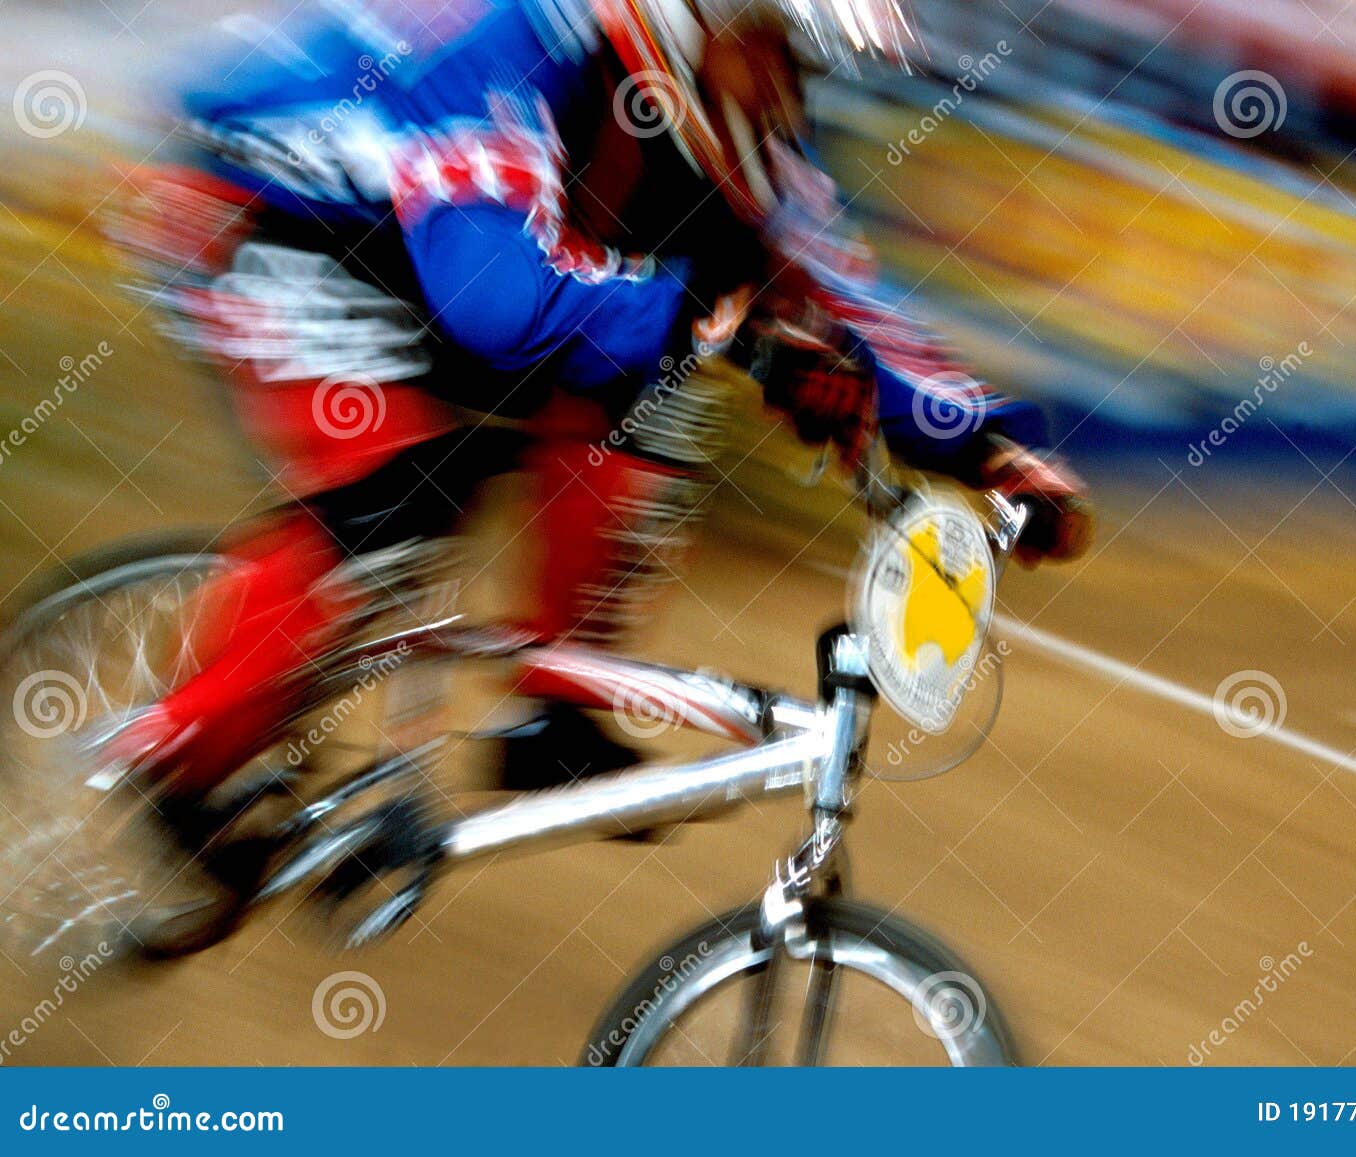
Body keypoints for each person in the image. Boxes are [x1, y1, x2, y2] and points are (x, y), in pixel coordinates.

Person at [107, 0, 1093, 829]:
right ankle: (175, 759)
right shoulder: (517, 48)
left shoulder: (736, 139)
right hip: (263, 214)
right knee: (400, 494)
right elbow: (494, 306)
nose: (791, 95)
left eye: (806, 71)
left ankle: (553, 707)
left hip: (414, 256)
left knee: (648, 394)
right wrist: (723, 325)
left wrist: (991, 449)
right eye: (779, 56)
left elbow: (849, 309)